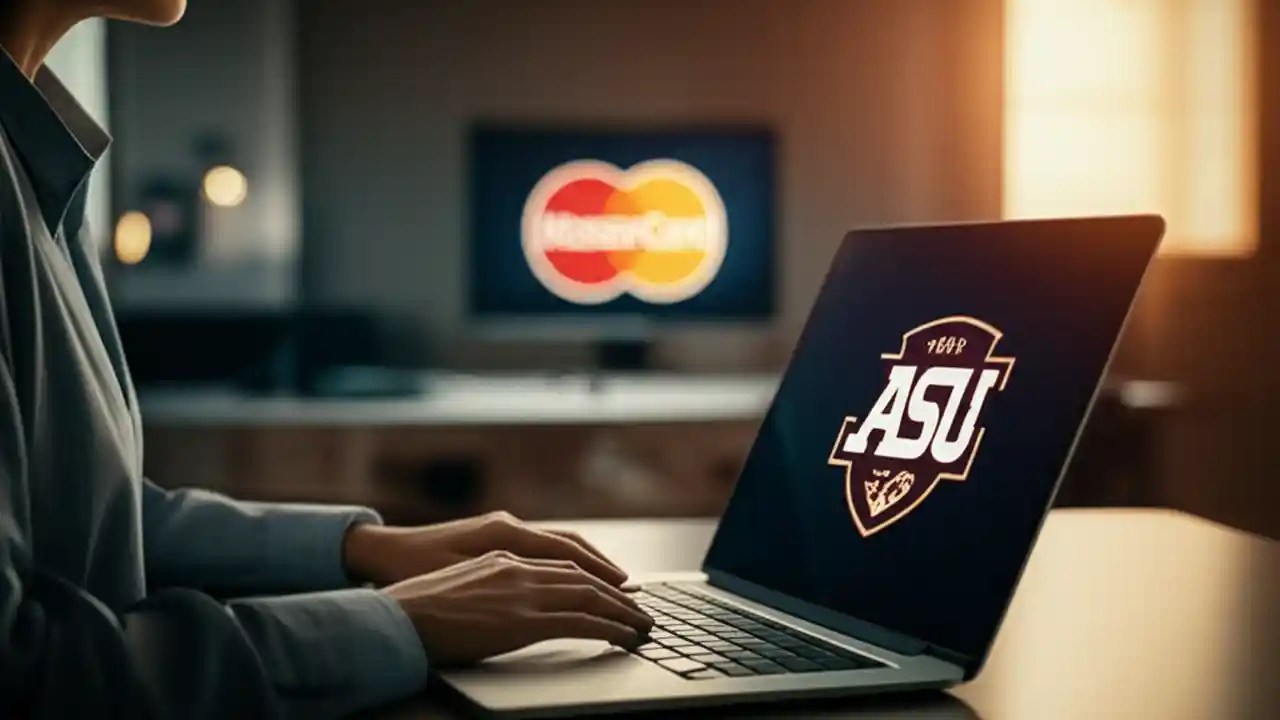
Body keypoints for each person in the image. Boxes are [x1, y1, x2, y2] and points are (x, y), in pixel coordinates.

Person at [0, 1, 652, 717]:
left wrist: (365, 550)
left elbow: (99, 526)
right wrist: (400, 622)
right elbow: (22, 669)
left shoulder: (33, 162)